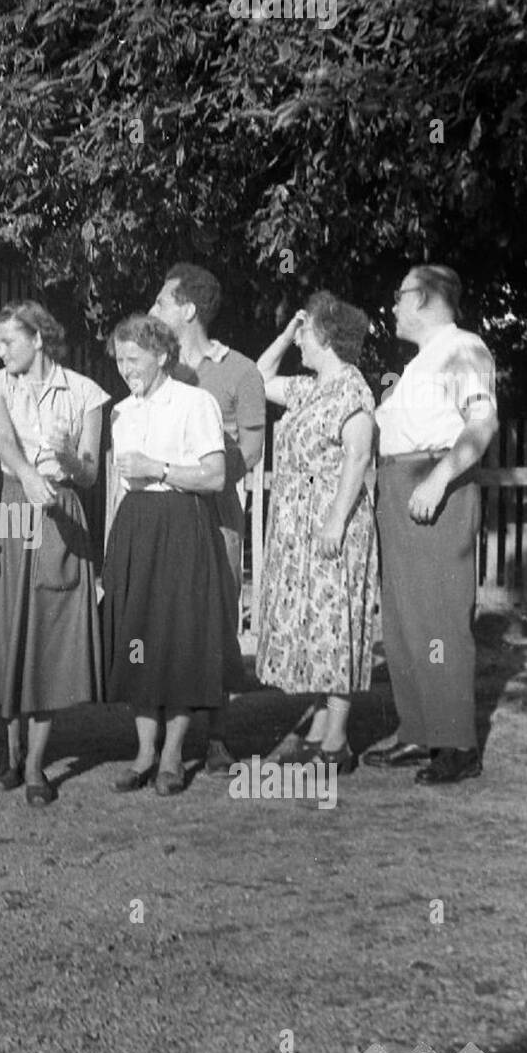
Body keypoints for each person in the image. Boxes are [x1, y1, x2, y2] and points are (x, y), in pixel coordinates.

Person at [365, 265, 497, 785]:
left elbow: (481, 423)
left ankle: (457, 744)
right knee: (404, 619)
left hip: (433, 484)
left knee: (440, 617)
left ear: (421, 299)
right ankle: (419, 730)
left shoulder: (464, 347)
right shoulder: (419, 364)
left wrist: (439, 480)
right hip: (400, 488)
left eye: (399, 297)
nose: (393, 307)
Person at [102, 314, 244, 795]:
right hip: (135, 528)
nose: (126, 368)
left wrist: (156, 466)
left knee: (180, 637)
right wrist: (112, 554)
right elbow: (123, 488)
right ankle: (143, 752)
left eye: (134, 358)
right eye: (120, 359)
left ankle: (172, 755)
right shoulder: (121, 412)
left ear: (161, 355)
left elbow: (215, 477)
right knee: (138, 634)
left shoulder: (195, 402)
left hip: (183, 525)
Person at [0, 301, 108, 805]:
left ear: (37, 337)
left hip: (61, 511)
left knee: (48, 635)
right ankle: (11, 757)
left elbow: (92, 471)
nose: (0, 350)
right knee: (10, 629)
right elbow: (4, 443)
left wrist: (67, 458)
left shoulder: (85, 393)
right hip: (14, 507)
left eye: (8, 340)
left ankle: (35, 764)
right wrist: (30, 475)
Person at [148, 262, 265, 772]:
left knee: (216, 613)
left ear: (188, 309)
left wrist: (205, 469)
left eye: (161, 303)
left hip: (215, 510)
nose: (152, 311)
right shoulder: (155, 367)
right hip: (161, 511)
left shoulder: (240, 370)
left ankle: (216, 736)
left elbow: (254, 449)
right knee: (162, 612)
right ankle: (153, 739)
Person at [255, 292, 378, 772]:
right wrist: (286, 334)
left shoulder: (353, 390)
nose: (300, 340)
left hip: (332, 521)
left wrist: (334, 519)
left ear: (325, 336)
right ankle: (323, 728)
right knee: (315, 623)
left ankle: (338, 742)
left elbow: (359, 455)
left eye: (305, 332)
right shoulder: (310, 389)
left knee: (335, 624)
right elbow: (259, 377)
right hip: (296, 521)